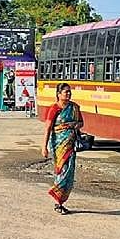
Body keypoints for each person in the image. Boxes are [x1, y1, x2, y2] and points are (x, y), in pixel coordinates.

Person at [41, 82, 84, 215]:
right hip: (59, 144)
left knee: (69, 171)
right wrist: (44, 146)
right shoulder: (54, 108)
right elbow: (48, 127)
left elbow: (81, 123)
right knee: (62, 170)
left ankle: (60, 201)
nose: (69, 94)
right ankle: (57, 200)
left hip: (71, 143)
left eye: (70, 92)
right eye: (66, 92)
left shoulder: (74, 108)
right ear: (59, 94)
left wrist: (74, 125)